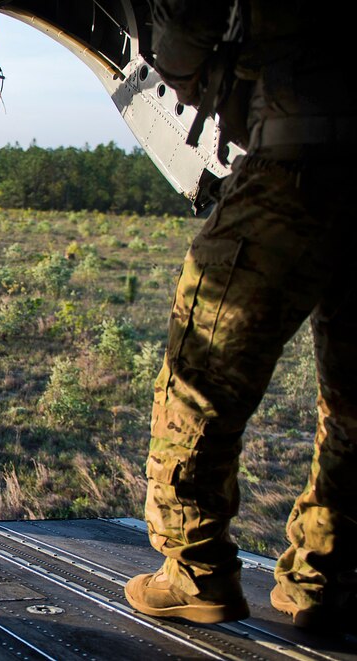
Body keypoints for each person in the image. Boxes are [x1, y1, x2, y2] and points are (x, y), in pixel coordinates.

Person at [124, 0, 355, 629]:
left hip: (293, 165)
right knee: (355, 407)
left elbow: (181, 37)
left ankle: (194, 573)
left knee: (197, 382)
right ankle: (326, 578)